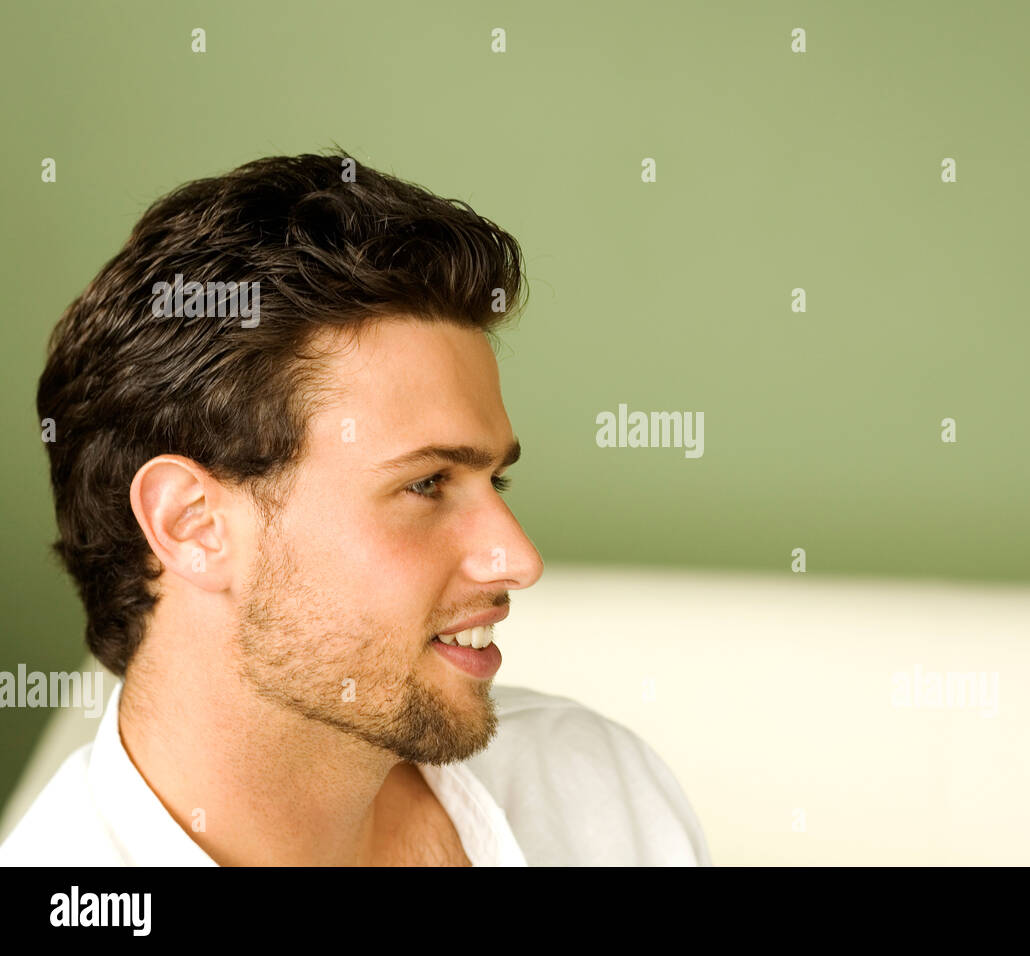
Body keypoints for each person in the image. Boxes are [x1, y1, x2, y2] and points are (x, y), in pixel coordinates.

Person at [0, 151, 710, 866]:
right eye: (427, 484)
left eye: (495, 482)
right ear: (193, 524)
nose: (518, 560)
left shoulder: (592, 790)